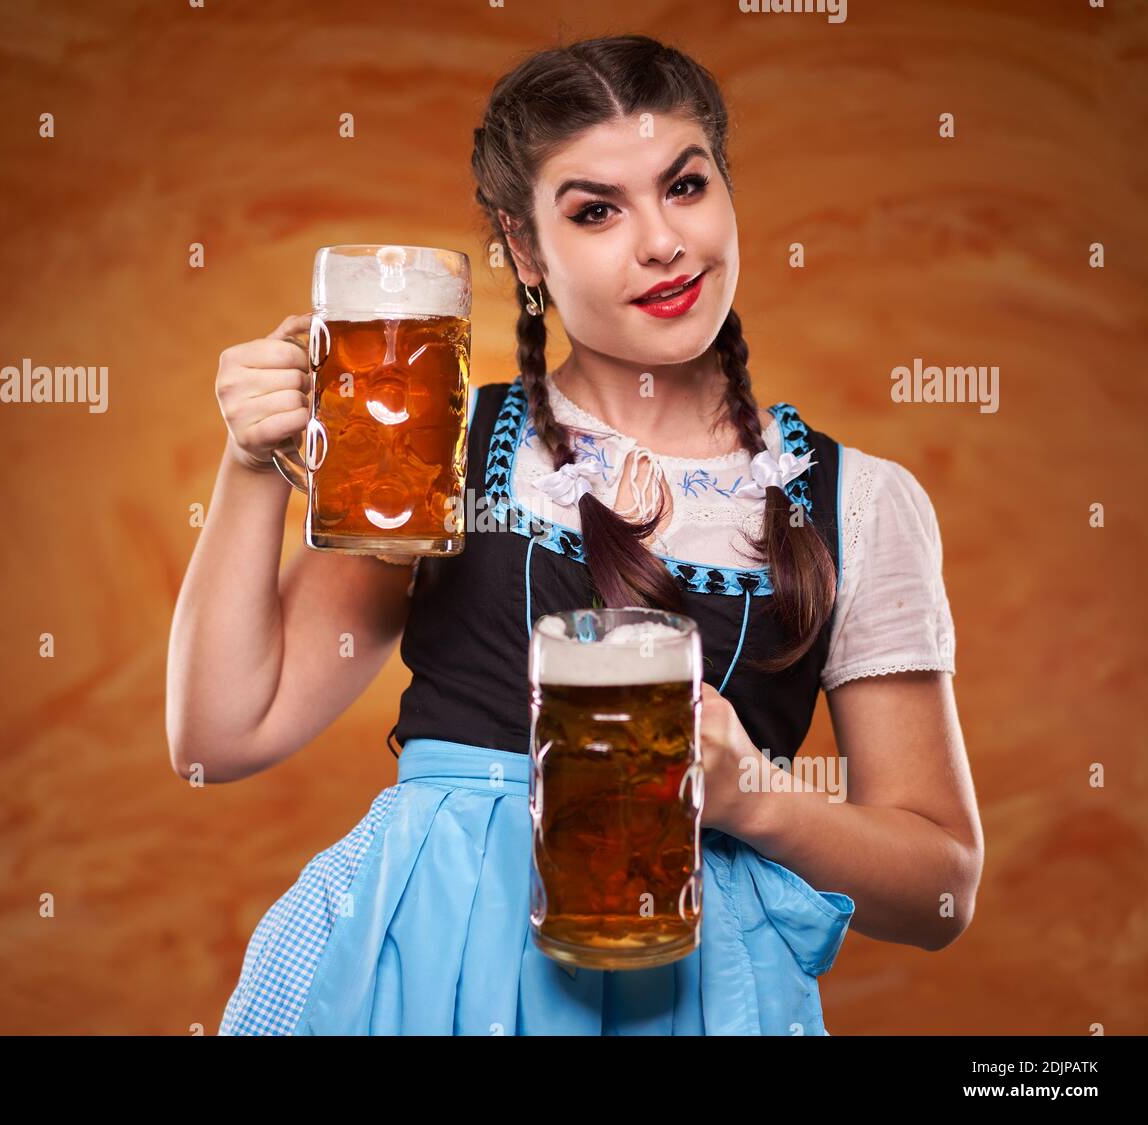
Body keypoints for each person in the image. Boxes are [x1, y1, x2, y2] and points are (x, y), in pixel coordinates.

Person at [168, 34, 983, 1036]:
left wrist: (757, 804)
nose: (660, 243)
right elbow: (221, 736)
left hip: (690, 991)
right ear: (523, 251)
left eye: (684, 187)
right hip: (424, 976)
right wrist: (253, 466)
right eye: (595, 210)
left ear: (726, 190)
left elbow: (942, 891)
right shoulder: (440, 445)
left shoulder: (857, 502)